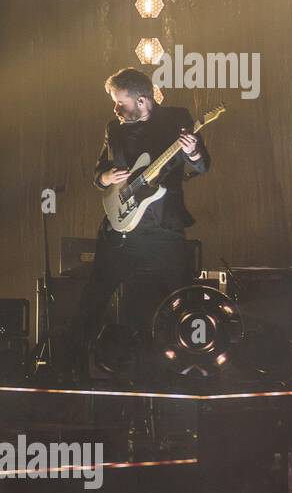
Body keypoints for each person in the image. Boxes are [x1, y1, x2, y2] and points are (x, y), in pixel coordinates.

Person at [78, 67, 210, 371]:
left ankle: (191, 366)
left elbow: (203, 166)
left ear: (142, 100)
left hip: (163, 227)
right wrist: (106, 176)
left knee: (182, 298)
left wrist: (192, 154)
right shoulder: (114, 128)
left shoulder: (176, 120)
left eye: (120, 102)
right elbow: (98, 174)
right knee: (93, 297)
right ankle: (71, 367)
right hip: (120, 228)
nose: (115, 108)